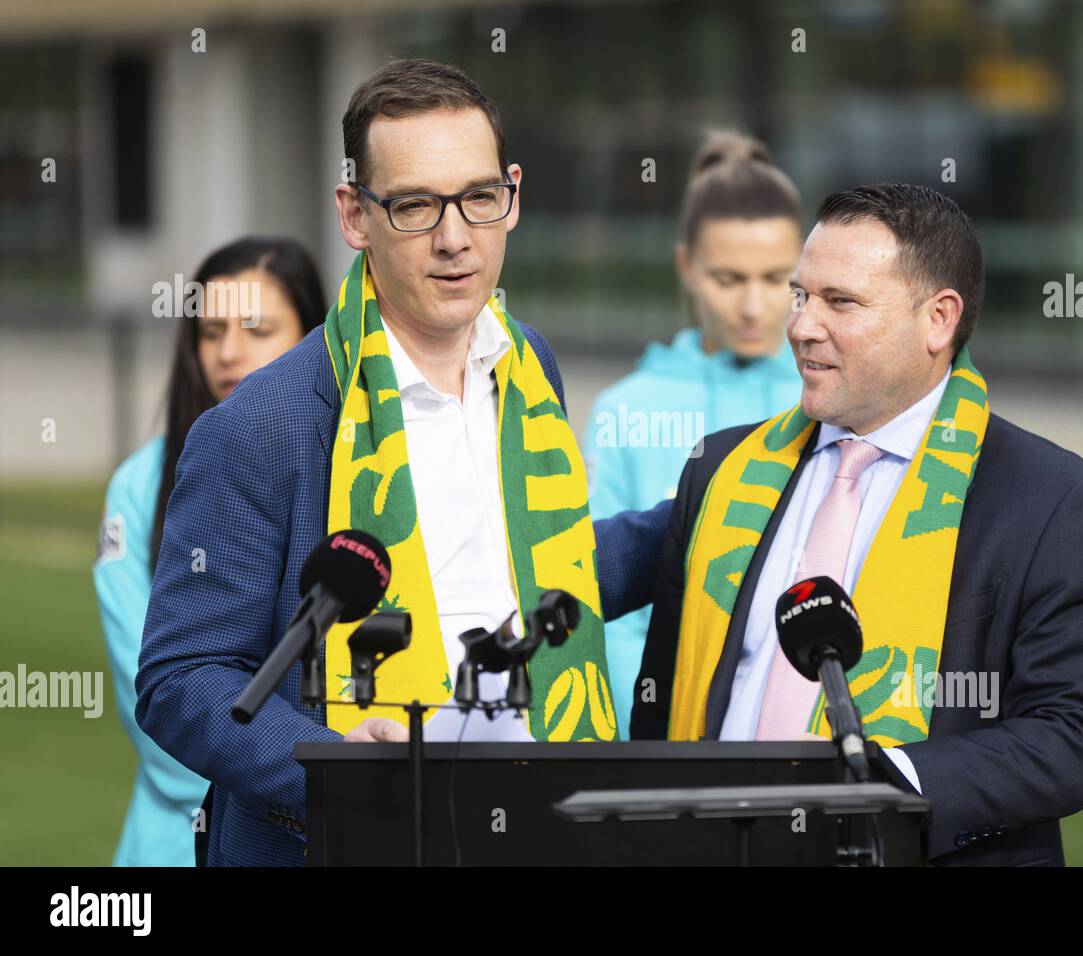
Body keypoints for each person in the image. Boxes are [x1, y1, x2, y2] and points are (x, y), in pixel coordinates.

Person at [135, 59, 668, 866]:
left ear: (512, 196)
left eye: (479, 198)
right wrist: (338, 768)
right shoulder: (258, 425)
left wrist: (701, 508)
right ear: (355, 215)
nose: (454, 238)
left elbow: (546, 573)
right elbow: (183, 678)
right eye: (416, 205)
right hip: (344, 841)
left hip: (535, 826)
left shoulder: (531, 367)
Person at [631, 183, 1083, 866]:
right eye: (802, 295)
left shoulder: (1056, 503)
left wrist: (879, 782)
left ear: (938, 320)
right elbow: (658, 705)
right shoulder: (722, 469)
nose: (802, 326)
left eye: (840, 302)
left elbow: (1076, 735)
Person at [93, 237, 326, 866]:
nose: (228, 352)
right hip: (176, 840)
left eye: (256, 328)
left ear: (312, 337)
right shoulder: (140, 488)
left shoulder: (348, 472)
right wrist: (326, 784)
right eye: (211, 330)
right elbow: (161, 698)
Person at [583, 130, 804, 736]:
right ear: (687, 266)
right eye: (729, 279)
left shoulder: (834, 397)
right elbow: (602, 601)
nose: (755, 306)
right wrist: (651, 742)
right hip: (663, 732)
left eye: (777, 277)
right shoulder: (625, 409)